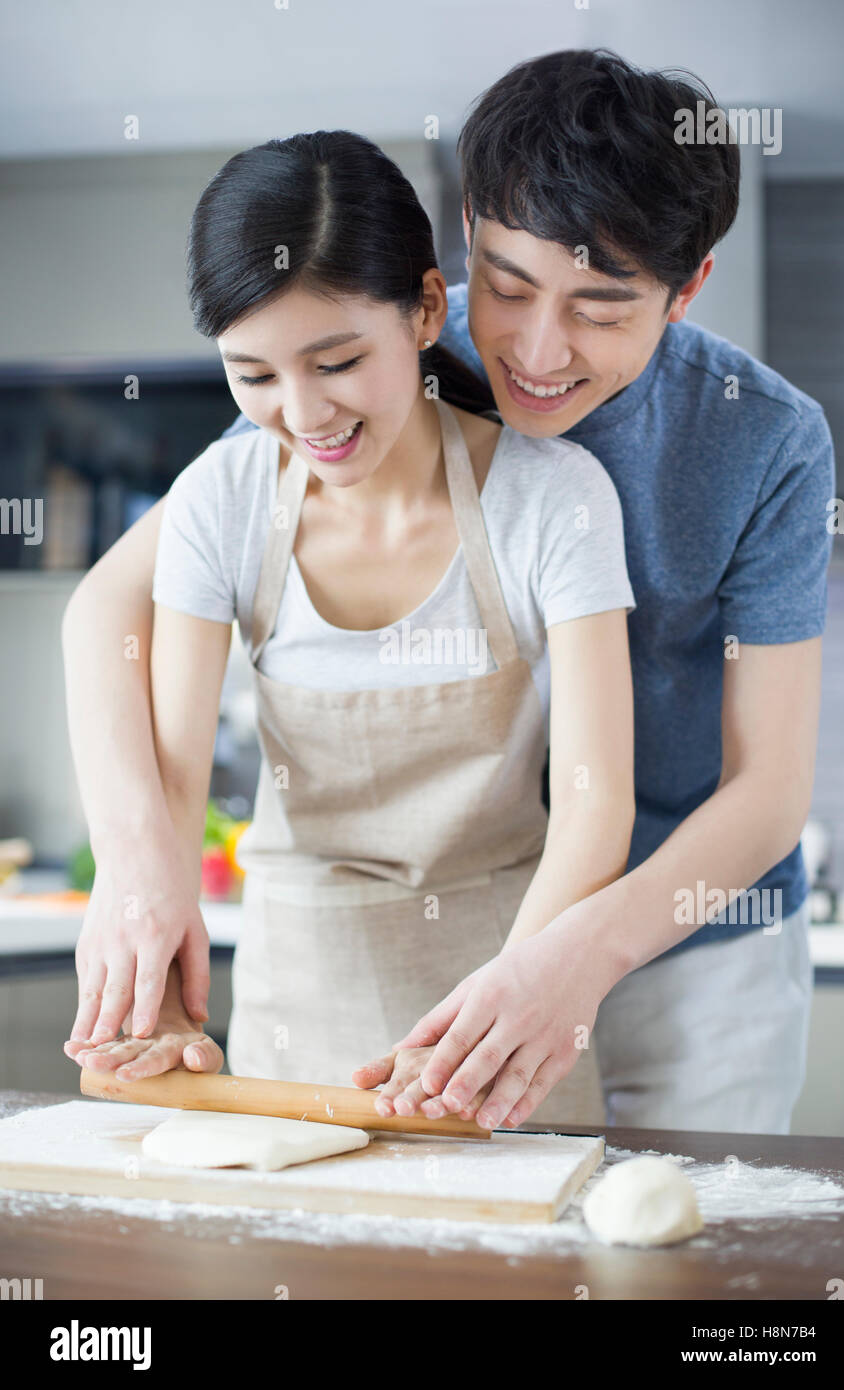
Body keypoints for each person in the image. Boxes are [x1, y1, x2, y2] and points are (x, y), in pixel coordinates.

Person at [64, 48, 834, 1136]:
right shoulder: (368, 353)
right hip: (485, 929)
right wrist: (146, 868)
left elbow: (765, 794)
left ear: (687, 282)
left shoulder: (765, 438)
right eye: (508, 284)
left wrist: (571, 956)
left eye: (600, 308)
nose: (532, 346)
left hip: (692, 943)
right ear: (465, 238)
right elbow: (110, 606)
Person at [62, 127, 635, 1129]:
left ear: (422, 310)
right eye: (253, 375)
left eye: (334, 361)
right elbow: (175, 782)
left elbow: (594, 811)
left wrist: (508, 1007)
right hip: (296, 1009)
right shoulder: (223, 502)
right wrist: (148, 989)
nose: (300, 412)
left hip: (508, 996)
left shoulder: (555, 500)